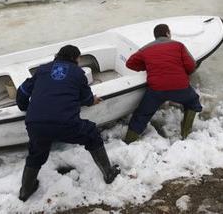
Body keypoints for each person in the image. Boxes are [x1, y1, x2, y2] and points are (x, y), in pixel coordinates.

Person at [16, 45, 120, 202]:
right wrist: (92, 100)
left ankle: (26, 190)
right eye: (78, 59)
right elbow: (86, 99)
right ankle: (108, 173)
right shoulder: (78, 73)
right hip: (65, 123)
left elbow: (22, 91)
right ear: (75, 58)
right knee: (91, 134)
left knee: (36, 153)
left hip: (35, 123)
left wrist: (24, 107)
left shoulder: (43, 69)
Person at [124, 24, 202, 144]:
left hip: (156, 90)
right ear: (167, 33)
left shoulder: (145, 49)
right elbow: (191, 66)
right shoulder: (178, 45)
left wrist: (148, 66)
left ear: (155, 36)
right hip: (180, 87)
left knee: (142, 114)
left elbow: (130, 63)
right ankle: (186, 134)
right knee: (193, 102)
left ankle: (129, 141)